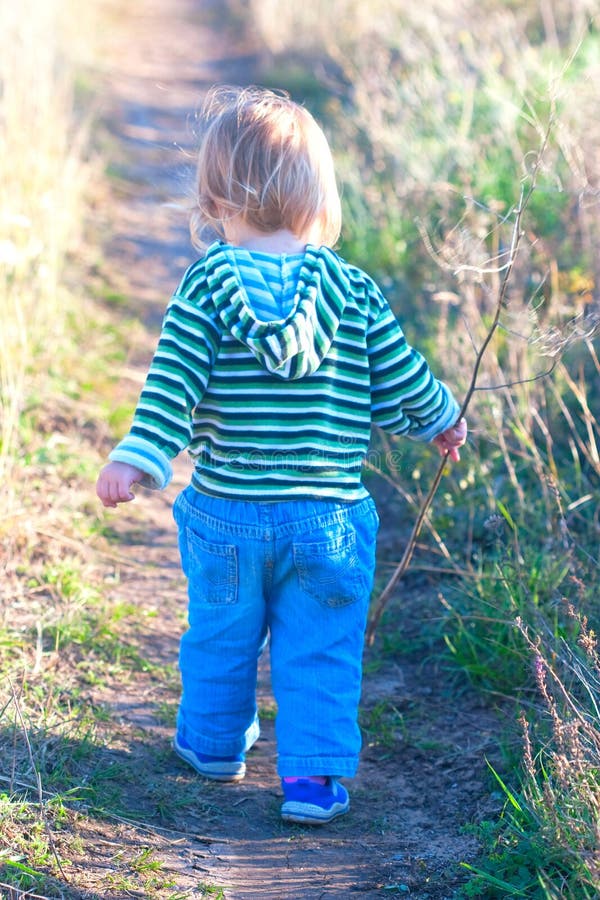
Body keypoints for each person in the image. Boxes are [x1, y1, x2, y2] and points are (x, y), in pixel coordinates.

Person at [96, 85, 467, 826]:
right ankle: (313, 782)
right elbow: (399, 380)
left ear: (215, 192)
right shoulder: (353, 290)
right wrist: (442, 420)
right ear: (317, 193)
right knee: (321, 647)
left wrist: (139, 458)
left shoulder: (208, 284)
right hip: (328, 518)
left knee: (221, 632)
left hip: (228, 514)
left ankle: (210, 746)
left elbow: (172, 387)